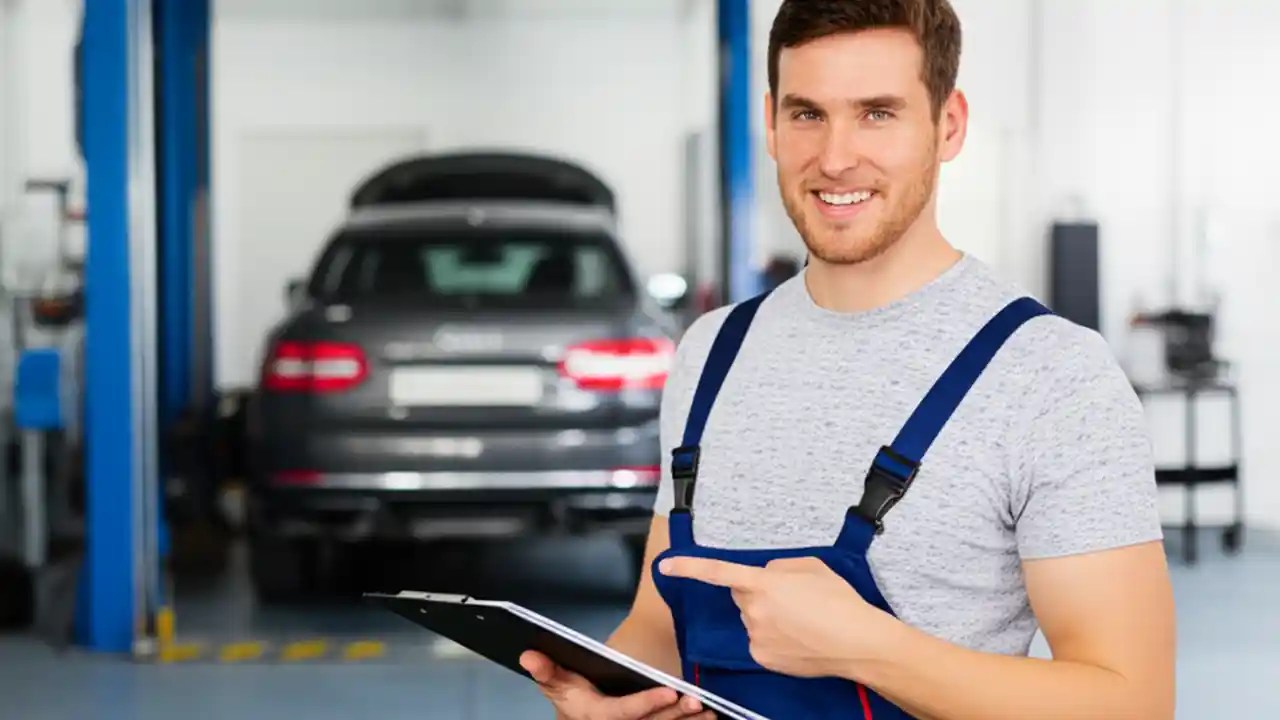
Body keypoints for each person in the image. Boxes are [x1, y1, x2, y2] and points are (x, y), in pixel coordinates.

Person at [521, 0, 1176, 718]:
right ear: (770, 122)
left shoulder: (1051, 377)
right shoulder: (710, 353)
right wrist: (612, 694)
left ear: (948, 125)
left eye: (877, 114)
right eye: (808, 114)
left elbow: (1132, 702)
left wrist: (866, 647)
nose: (834, 158)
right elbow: (658, 624)